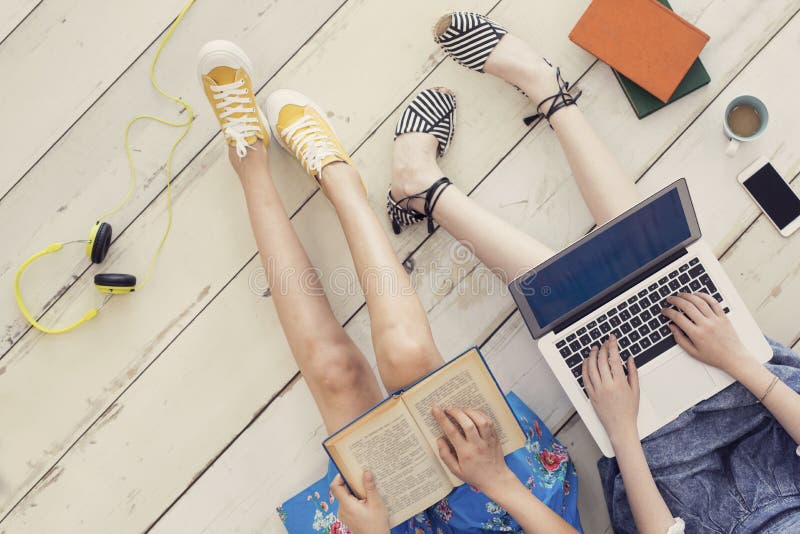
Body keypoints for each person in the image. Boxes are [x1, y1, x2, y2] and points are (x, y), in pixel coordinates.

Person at [197, 36, 580, 534]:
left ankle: (248, 162)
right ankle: (340, 181)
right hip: (510, 513)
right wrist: (497, 482)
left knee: (337, 376)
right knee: (407, 356)